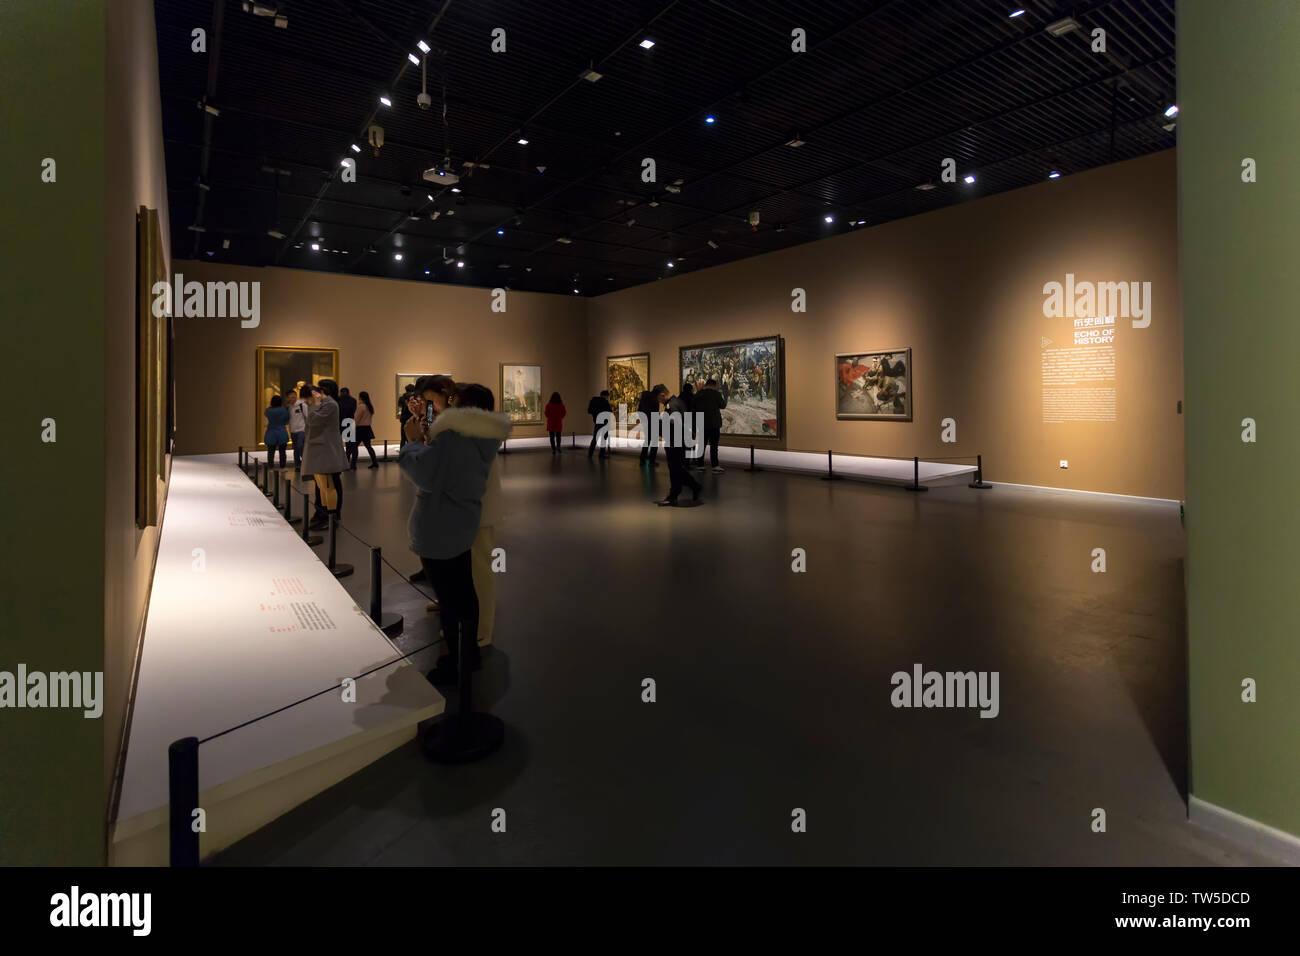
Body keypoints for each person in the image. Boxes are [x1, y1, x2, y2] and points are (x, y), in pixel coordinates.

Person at [399, 379, 510, 686]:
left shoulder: (456, 436)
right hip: (466, 514)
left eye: (448, 400)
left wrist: (411, 444)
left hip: (445, 521)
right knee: (466, 587)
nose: (443, 404)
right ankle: (471, 645)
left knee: (461, 589)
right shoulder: (479, 434)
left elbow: (431, 472)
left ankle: (465, 650)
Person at [302, 379, 348, 530]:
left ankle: (331, 517)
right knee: (322, 486)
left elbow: (314, 421)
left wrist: (314, 404)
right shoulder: (326, 403)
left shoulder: (329, 404)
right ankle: (322, 514)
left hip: (327, 452)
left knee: (329, 485)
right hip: (322, 451)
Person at [653, 384, 701, 506]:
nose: (659, 401)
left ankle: (680, 492)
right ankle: (681, 491)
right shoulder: (677, 401)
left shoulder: (671, 405)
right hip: (678, 439)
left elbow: (675, 421)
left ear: (662, 395)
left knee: (675, 469)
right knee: (676, 468)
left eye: (658, 398)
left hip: (675, 440)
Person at [693, 378, 727, 474]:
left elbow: (693, 408)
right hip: (714, 424)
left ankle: (700, 465)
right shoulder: (716, 394)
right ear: (714, 385)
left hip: (701, 423)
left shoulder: (698, 394)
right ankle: (715, 466)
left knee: (701, 445)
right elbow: (723, 405)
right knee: (714, 446)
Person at [263, 395, 290, 468]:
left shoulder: (268, 411)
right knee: (282, 452)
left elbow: (266, 414)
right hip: (281, 432)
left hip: (271, 433)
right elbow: (287, 420)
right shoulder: (283, 410)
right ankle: (282, 467)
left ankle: (271, 467)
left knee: (271, 452)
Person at [354, 390, 377, 469]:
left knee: (354, 446)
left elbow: (356, 418)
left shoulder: (361, 406)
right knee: (368, 446)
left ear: (360, 397)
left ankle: (353, 464)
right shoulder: (369, 406)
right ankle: (375, 462)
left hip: (360, 429)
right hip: (367, 428)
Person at [587, 389, 612, 458]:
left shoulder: (594, 401)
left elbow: (589, 411)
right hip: (604, 422)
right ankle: (601, 455)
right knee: (603, 439)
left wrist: (596, 414)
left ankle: (590, 454)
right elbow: (610, 412)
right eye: (607, 396)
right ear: (606, 396)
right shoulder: (605, 402)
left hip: (597, 422)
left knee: (595, 438)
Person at [637, 389, 660, 467]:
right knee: (654, 443)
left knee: (647, 441)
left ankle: (642, 459)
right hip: (653, 423)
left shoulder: (643, 400)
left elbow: (639, 411)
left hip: (646, 423)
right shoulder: (654, 400)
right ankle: (652, 461)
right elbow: (656, 414)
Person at [287, 388, 307, 470]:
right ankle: (297, 465)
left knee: (300, 446)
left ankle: (305, 463)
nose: (292, 399)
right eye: (290, 397)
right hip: (293, 430)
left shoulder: (302, 405)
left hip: (302, 430)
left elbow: (307, 416)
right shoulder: (288, 407)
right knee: (295, 448)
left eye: (294, 397)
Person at [338, 387, 358, 468]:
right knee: (351, 445)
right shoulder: (353, 400)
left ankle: (345, 462)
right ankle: (353, 464)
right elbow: (353, 411)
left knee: (340, 444)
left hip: (341, 423)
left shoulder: (338, 400)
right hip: (350, 422)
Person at [398, 383, 417, 448]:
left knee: (403, 438)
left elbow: (399, 405)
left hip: (404, 418)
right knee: (411, 437)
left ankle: (402, 454)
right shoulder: (415, 397)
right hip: (412, 418)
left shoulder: (402, 398)